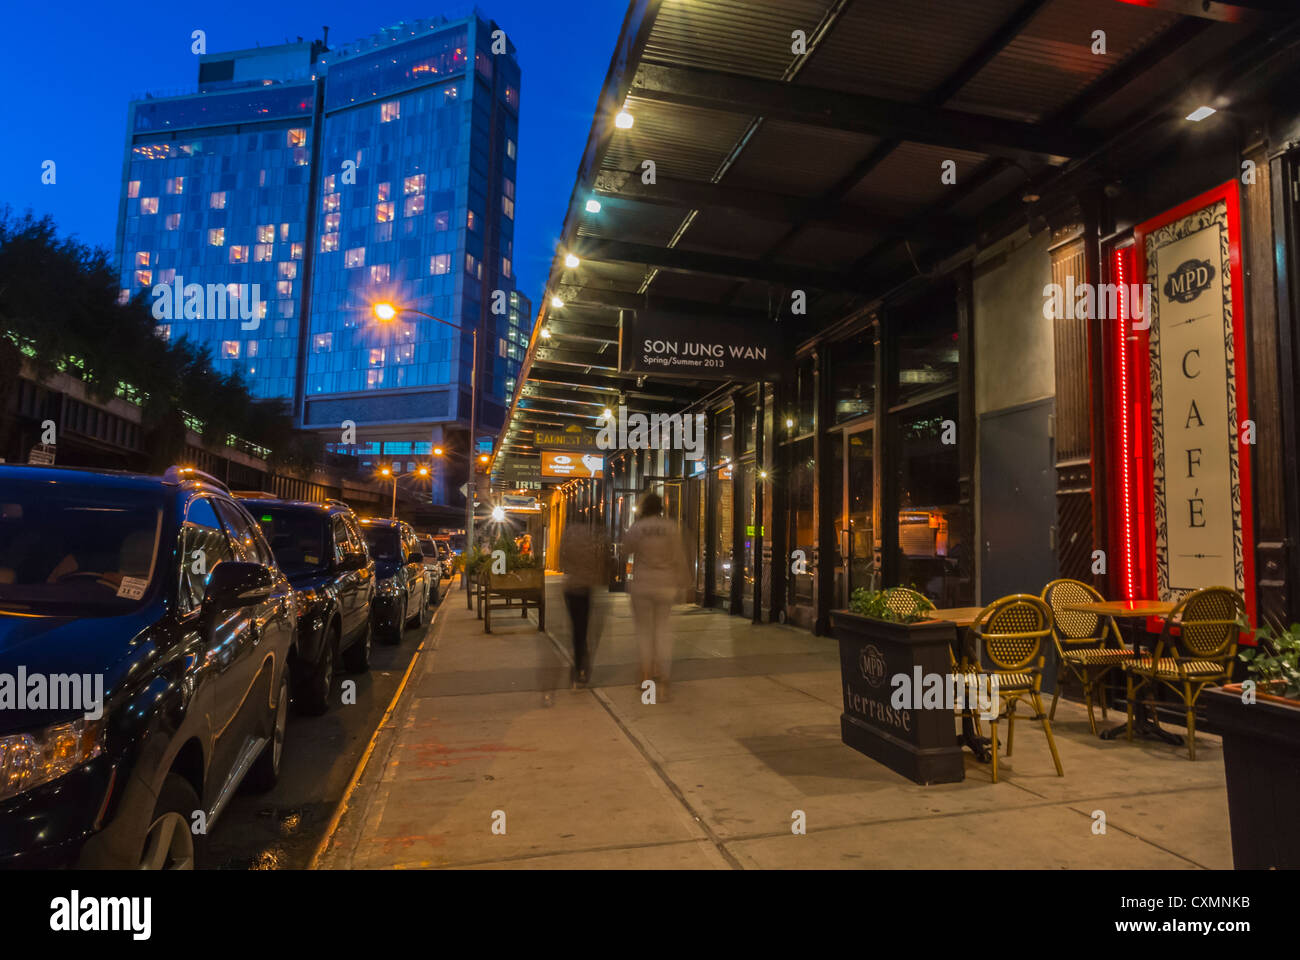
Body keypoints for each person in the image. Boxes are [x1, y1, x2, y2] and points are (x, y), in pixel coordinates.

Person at [621, 492, 690, 702]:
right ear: (661, 508)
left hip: (642, 584)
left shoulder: (637, 528)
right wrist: (684, 583)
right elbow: (679, 556)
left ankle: (646, 678)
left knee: (644, 633)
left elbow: (625, 551)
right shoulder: (670, 527)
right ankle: (665, 679)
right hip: (665, 584)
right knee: (662, 631)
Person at [558, 521, 607, 687]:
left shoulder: (568, 534)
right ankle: (582, 664)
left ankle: (578, 663)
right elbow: (598, 560)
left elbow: (562, 560)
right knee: (583, 627)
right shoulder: (591, 536)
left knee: (575, 628)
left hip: (571, 586)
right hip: (585, 587)